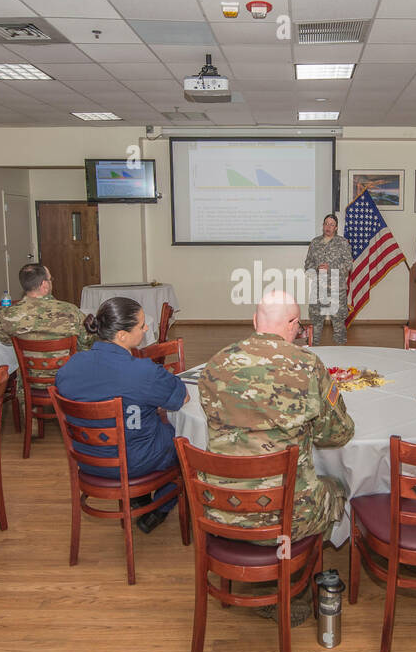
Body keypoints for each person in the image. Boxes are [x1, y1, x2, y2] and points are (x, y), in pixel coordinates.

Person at [199, 290, 354, 541]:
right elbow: (337, 434)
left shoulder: (215, 364)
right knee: (338, 486)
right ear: (293, 325)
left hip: (221, 508)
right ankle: (312, 570)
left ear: (254, 320)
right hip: (287, 516)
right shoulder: (307, 365)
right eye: (299, 326)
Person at [55, 297, 186, 534]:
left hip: (87, 459)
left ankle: (141, 501)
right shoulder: (142, 371)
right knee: (186, 443)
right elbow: (181, 397)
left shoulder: (70, 367)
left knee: (138, 429)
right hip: (134, 462)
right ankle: (160, 508)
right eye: (141, 325)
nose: (146, 329)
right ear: (122, 335)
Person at [0, 263, 92, 349]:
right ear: (44, 285)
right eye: (50, 279)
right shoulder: (71, 312)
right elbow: (88, 342)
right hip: (67, 386)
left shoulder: (8, 315)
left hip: (28, 389)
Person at [303, 213, 352, 345]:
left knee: (338, 323)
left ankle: (340, 354)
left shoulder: (342, 243)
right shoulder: (315, 243)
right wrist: (316, 268)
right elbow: (307, 265)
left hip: (337, 290)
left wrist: (330, 268)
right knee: (316, 321)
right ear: (322, 226)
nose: (328, 227)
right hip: (319, 289)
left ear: (336, 227)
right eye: (326, 224)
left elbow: (348, 265)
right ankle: (314, 352)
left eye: (331, 224)